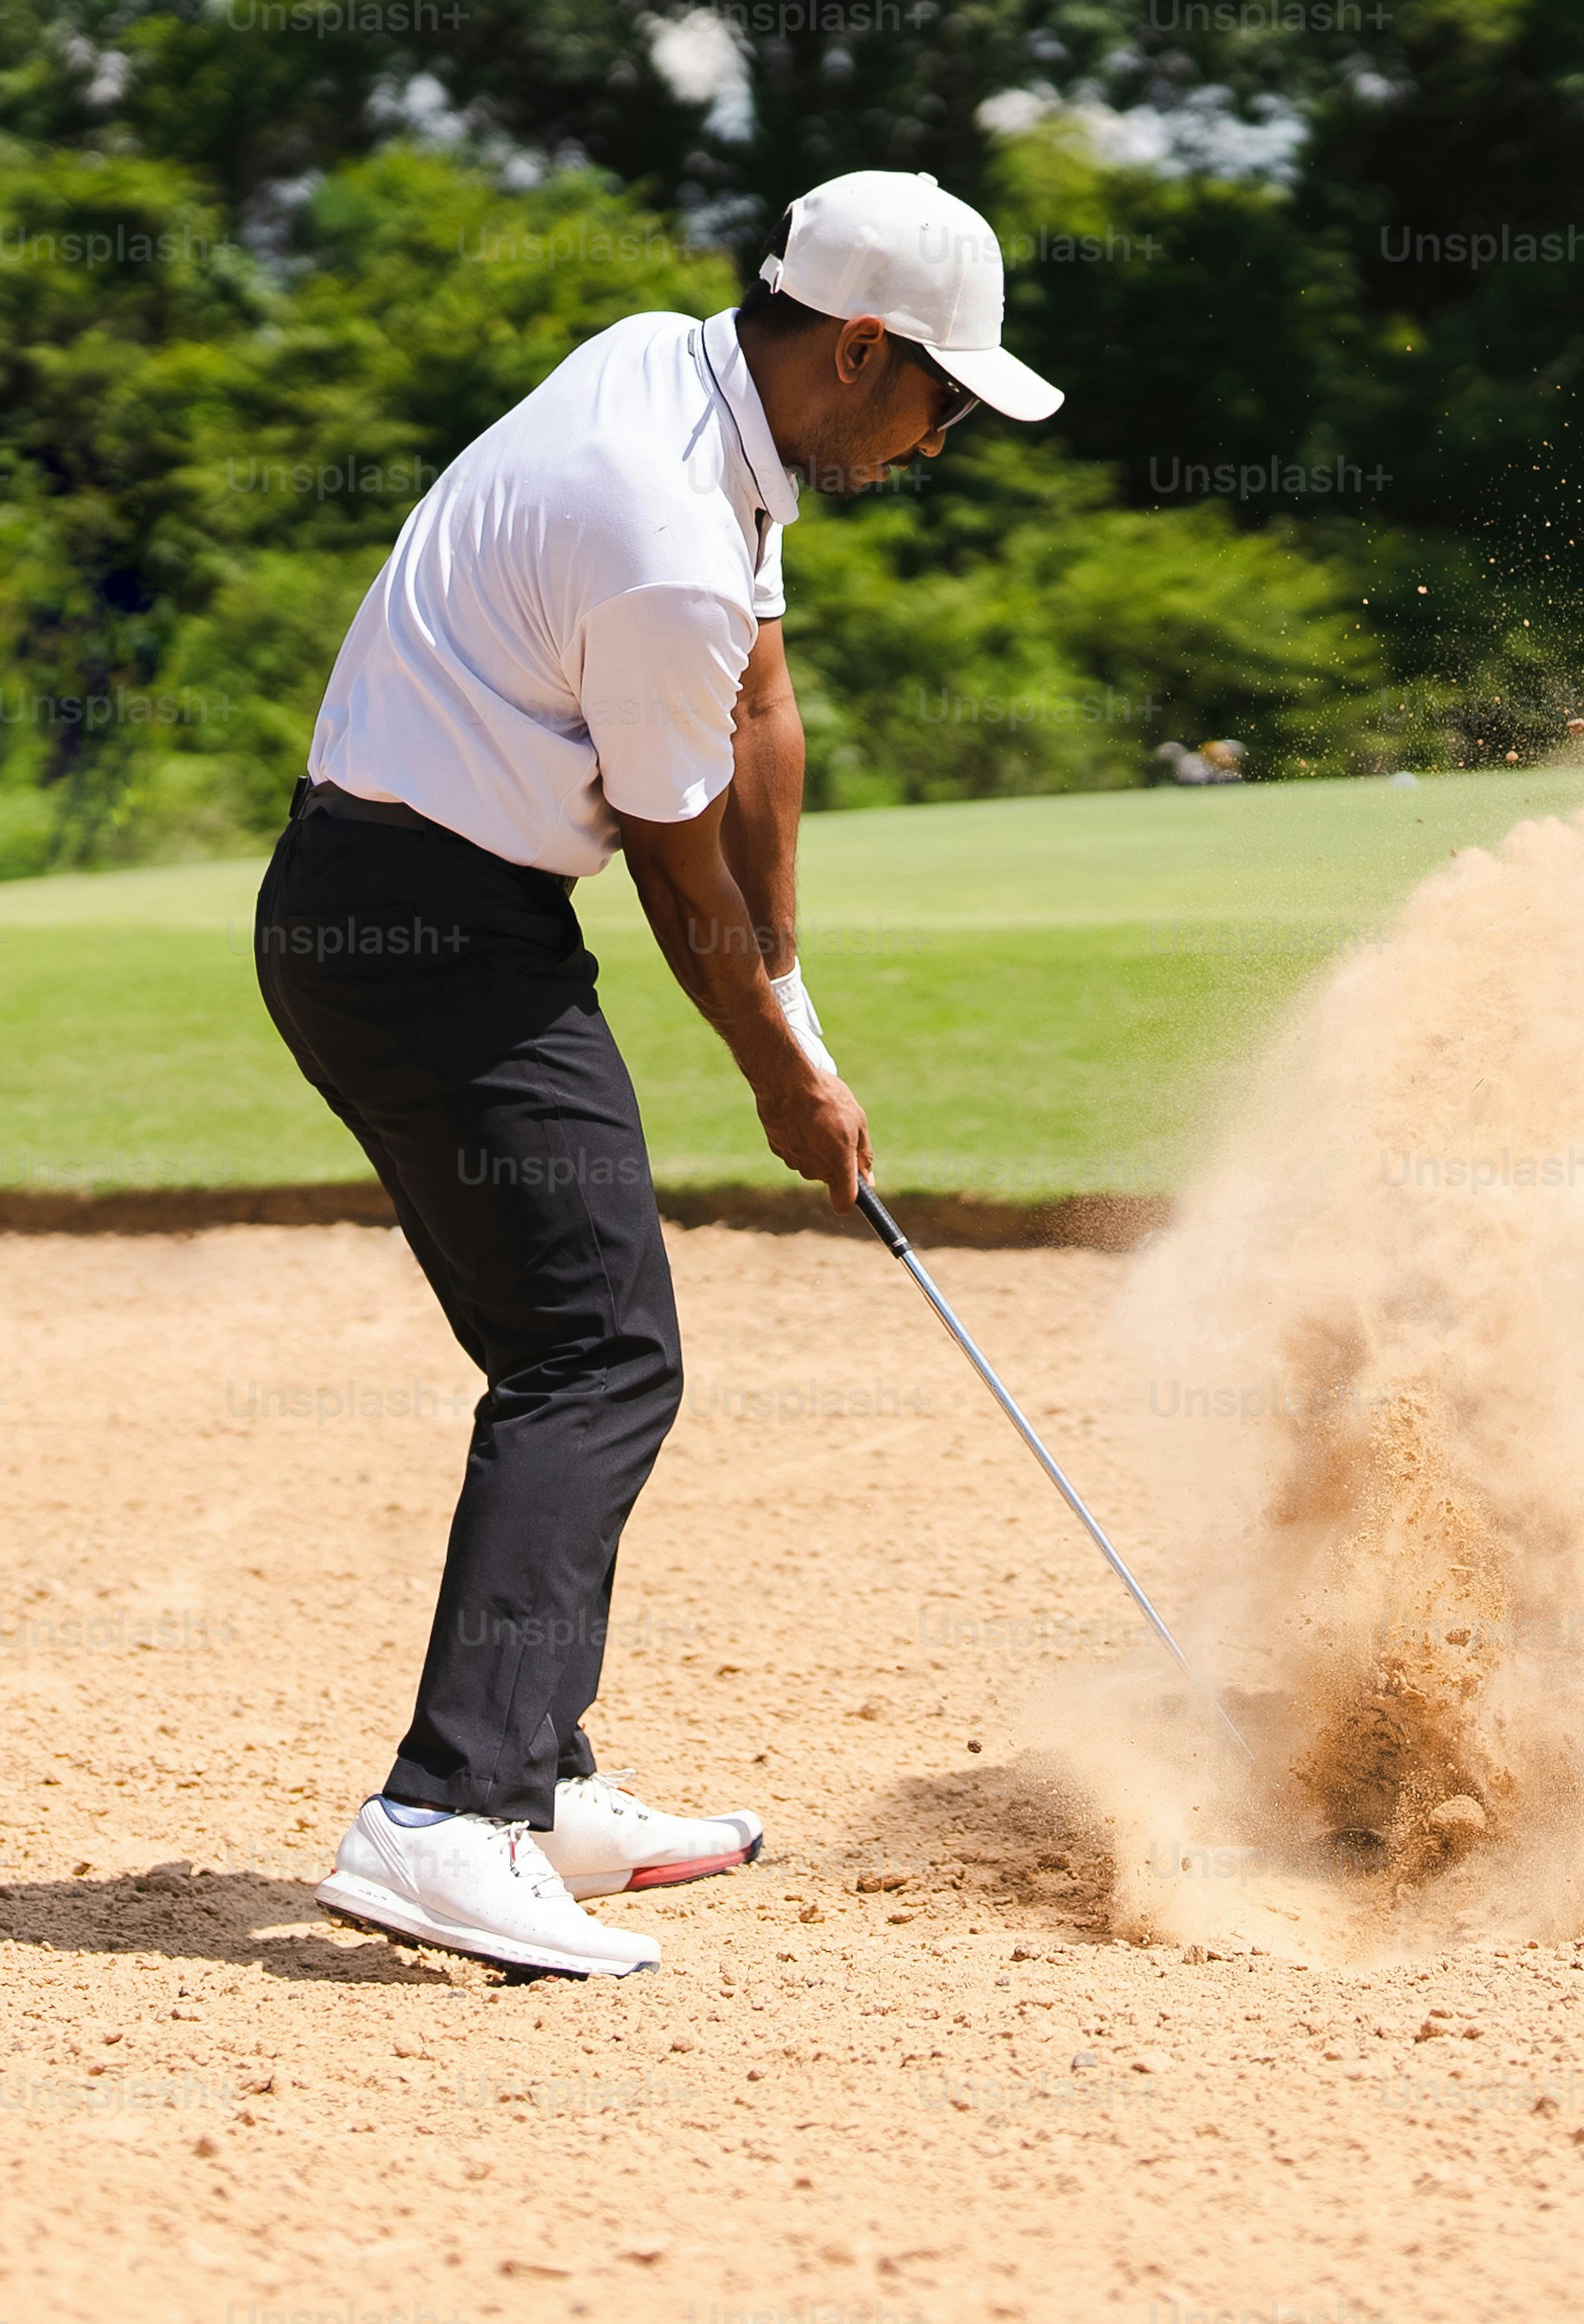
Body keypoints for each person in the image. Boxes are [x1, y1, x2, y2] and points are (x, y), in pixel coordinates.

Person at [254, 169, 1063, 1979]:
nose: (938, 441)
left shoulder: (668, 373)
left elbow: (760, 713)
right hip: (430, 940)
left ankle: (536, 1782)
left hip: (387, 911)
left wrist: (797, 992)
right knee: (595, 1352)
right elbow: (677, 869)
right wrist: (782, 1075)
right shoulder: (664, 547)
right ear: (858, 352)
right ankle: (443, 1818)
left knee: (564, 1340)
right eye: (942, 399)